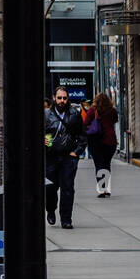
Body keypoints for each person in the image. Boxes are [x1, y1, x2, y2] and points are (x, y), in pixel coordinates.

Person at [44, 86, 87, 229]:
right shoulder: (46, 115)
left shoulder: (74, 114)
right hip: (51, 157)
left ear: (67, 99)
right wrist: (43, 140)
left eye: (64, 98)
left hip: (68, 158)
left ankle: (66, 219)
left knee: (67, 188)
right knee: (50, 188)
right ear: (54, 98)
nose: (62, 101)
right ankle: (50, 209)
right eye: (59, 98)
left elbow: (82, 136)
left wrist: (76, 152)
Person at [86, 92, 120, 198]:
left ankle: (102, 190)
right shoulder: (112, 110)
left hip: (96, 141)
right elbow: (115, 120)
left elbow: (86, 122)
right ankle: (107, 189)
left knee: (99, 164)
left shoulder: (93, 110)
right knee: (106, 164)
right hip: (110, 141)